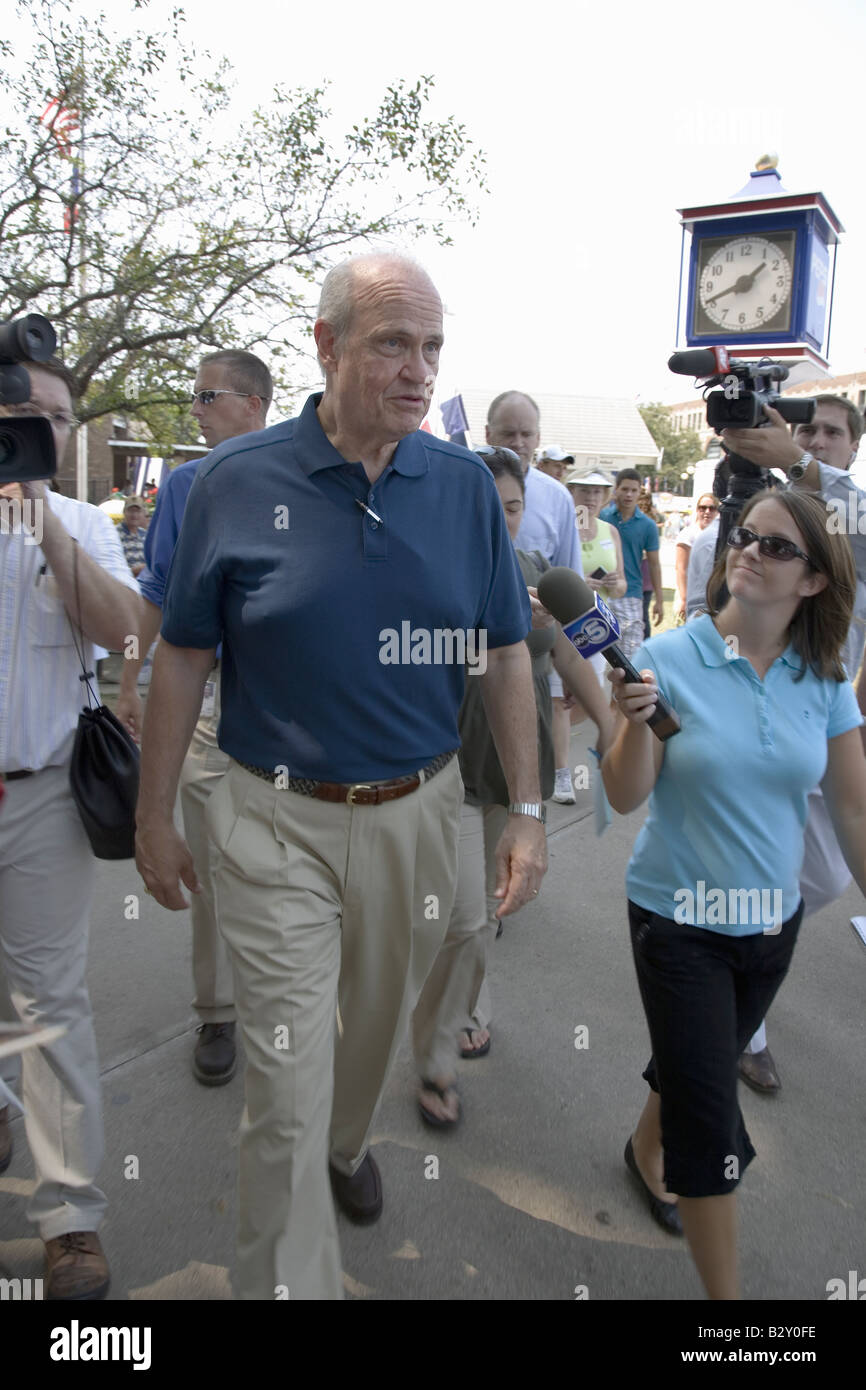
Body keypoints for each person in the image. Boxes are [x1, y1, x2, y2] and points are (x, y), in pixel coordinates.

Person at [134, 252, 547, 1301]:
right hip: (270, 820)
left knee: (364, 1043)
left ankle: (345, 1141)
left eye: (432, 349)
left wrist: (528, 811)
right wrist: (154, 813)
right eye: (391, 344)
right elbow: (182, 654)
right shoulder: (232, 483)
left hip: (417, 813)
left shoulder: (459, 487)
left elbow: (504, 649)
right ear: (325, 348)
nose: (418, 371)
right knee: (284, 1082)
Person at [602, 488, 865, 1299]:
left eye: (776, 547)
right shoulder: (669, 657)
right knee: (710, 1115)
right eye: (744, 535)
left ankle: (646, 1149)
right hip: (676, 920)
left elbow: (854, 807)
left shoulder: (822, 676)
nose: (746, 550)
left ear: (815, 581)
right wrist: (633, 722)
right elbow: (621, 795)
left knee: (701, 1063)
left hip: (771, 928)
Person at [412, 447, 614, 1124]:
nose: (500, 522)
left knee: (489, 910)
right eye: (487, 508)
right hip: (449, 771)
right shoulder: (429, 574)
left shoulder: (543, 577)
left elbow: (582, 650)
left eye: (513, 508)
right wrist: (489, 636)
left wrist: (614, 732)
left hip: (515, 773)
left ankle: (468, 1003)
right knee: (464, 919)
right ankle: (436, 1060)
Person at [0, 359, 141, 1300]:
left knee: (49, 1006)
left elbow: (128, 632)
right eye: (24, 418)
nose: (43, 436)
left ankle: (69, 1217)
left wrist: (43, 520)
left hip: (43, 793)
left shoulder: (84, 522)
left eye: (59, 419)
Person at [117, 350, 272, 1085]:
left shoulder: (308, 481)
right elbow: (157, 588)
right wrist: (128, 676)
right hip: (208, 711)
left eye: (207, 396)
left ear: (253, 403)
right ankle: (217, 1011)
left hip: (292, 722)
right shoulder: (185, 486)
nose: (196, 409)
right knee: (209, 866)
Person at [720, 395, 866, 1093]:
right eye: (805, 429)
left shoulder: (853, 517)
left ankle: (742, 932)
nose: (813, 440)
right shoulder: (761, 511)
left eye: (830, 433)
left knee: (825, 874)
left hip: (838, 722)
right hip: (760, 716)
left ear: (853, 447)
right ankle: (744, 1024)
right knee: (759, 866)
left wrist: (802, 466)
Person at [486, 392, 584, 805]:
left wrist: (577, 667)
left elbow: (571, 588)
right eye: (509, 432)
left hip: (538, 670)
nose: (519, 442)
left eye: (527, 434)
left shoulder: (558, 498)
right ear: (488, 434)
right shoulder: (455, 483)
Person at [564, 466, 626, 690]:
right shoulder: (563, 527)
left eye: (598, 492)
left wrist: (614, 583)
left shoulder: (610, 531)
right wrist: (579, 584)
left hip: (597, 622)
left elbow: (621, 586)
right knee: (561, 694)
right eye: (585, 491)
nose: (591, 497)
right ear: (571, 492)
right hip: (563, 621)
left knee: (592, 690)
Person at [600, 470, 663, 658]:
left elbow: (654, 565)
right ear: (616, 490)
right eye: (624, 489)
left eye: (634, 490)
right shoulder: (602, 517)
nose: (629, 494)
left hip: (632, 594)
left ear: (639, 492)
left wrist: (659, 600)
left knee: (630, 656)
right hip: (601, 593)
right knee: (598, 656)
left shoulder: (648, 525)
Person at [674, 494, 719, 622]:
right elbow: (681, 569)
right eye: (702, 508)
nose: (707, 512)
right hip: (689, 595)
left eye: (712, 508)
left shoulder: (718, 534)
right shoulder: (688, 534)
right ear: (697, 510)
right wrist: (683, 599)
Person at [637, 491, 665, 638]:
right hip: (645, 573)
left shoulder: (645, 521)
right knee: (643, 614)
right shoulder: (651, 518)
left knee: (642, 615)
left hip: (643, 571)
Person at [117, 495, 149, 578]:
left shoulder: (145, 535)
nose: (134, 515)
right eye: (131, 511)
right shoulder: (115, 535)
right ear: (124, 512)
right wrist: (135, 570)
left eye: (138, 511)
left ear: (143, 513)